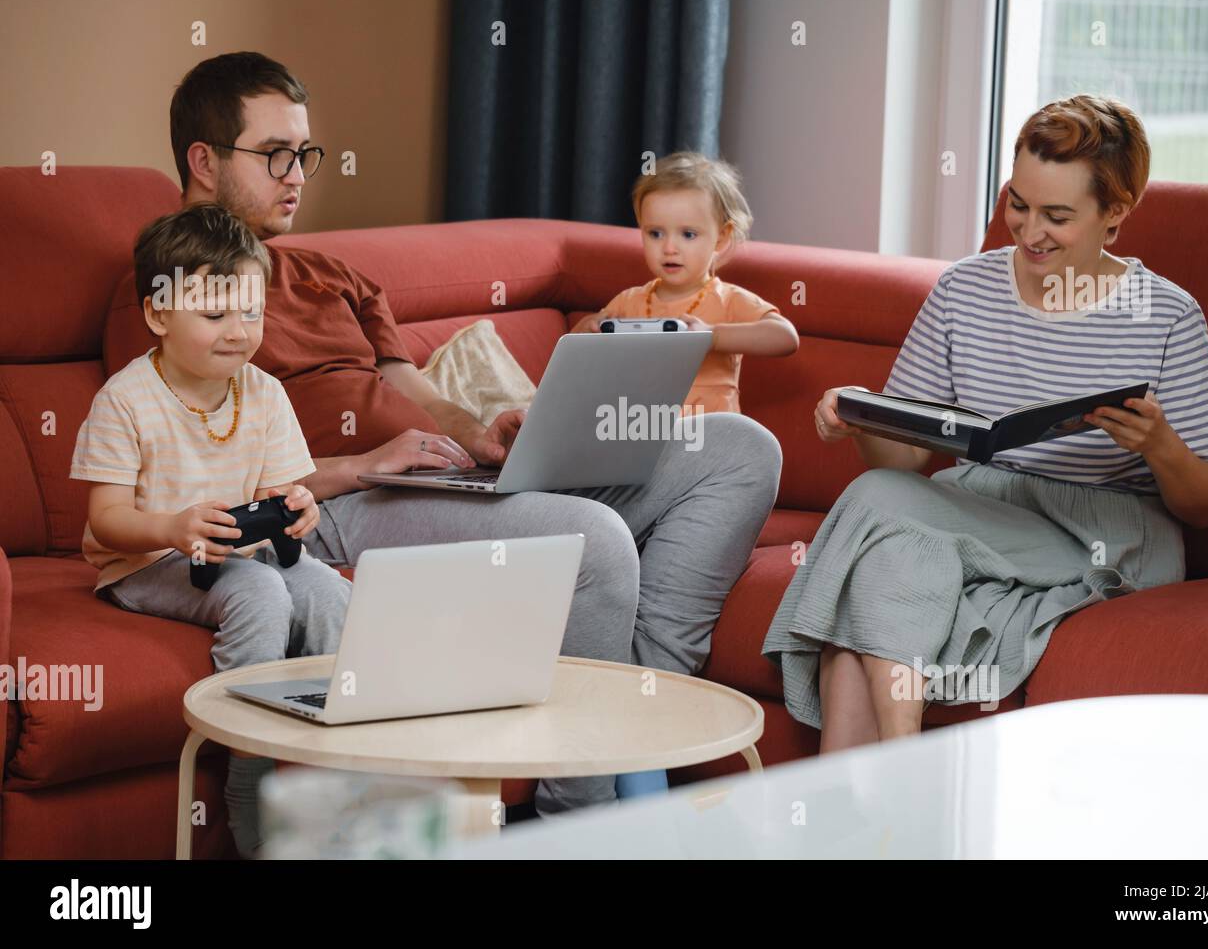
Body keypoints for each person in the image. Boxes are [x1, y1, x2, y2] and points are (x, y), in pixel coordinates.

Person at [103, 52, 783, 814]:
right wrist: (363, 462)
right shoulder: (181, 298)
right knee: (593, 540)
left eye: (306, 153)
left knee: (742, 450)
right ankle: (577, 814)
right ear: (203, 159)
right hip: (345, 503)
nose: (298, 174)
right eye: (275, 155)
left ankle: (640, 691)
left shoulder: (334, 274)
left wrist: (488, 433)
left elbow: (414, 390)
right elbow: (191, 460)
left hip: (444, 477)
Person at [763, 95, 1208, 753]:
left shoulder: (1167, 316)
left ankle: (865, 807)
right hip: (984, 508)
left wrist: (1159, 445)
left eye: (1057, 215)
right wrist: (861, 418)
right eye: (1018, 202)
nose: (1029, 229)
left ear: (1116, 214)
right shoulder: (964, 290)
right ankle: (890, 792)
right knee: (887, 532)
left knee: (881, 540)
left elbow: (1207, 503)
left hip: (1106, 528)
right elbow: (900, 465)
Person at [73, 204, 352, 856]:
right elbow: (105, 522)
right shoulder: (125, 399)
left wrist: (297, 506)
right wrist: (171, 526)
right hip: (145, 559)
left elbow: (281, 493)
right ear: (158, 314)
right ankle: (248, 777)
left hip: (237, 548)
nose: (238, 331)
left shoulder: (263, 392)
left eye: (250, 311)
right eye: (215, 313)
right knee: (259, 593)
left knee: (331, 591)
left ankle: (334, 764)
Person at [570, 151, 798, 413]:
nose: (669, 248)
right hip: (642, 432)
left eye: (688, 234)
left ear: (721, 239)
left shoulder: (728, 299)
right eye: (655, 233)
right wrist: (586, 329)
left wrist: (712, 336)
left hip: (712, 437)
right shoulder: (628, 301)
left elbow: (785, 337)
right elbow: (578, 356)